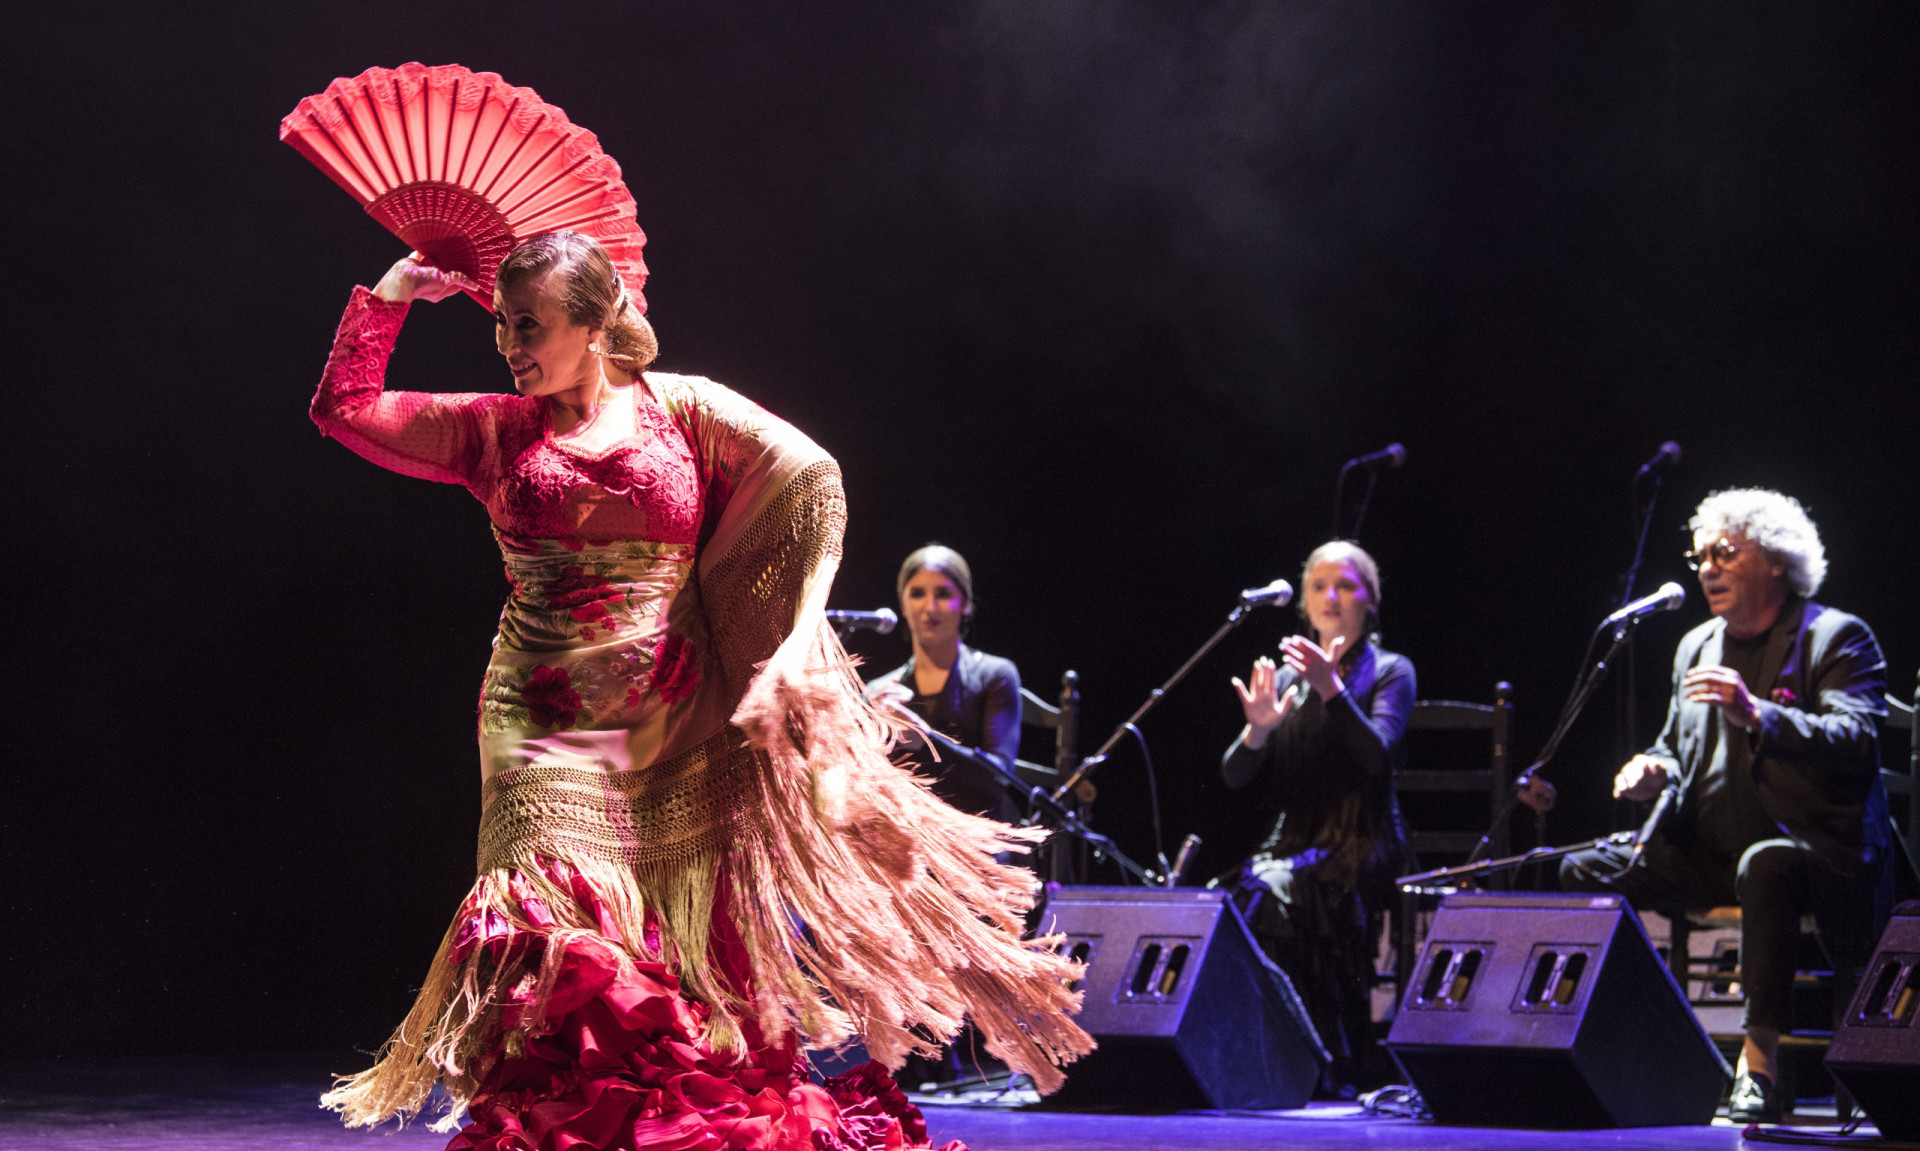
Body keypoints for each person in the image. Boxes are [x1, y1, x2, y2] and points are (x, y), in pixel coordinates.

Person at [306, 233, 1089, 1150]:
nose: (510, 345)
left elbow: (810, 480)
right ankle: (567, 1120)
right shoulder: (495, 430)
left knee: (677, 962)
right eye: (500, 325)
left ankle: (640, 1124)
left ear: (597, 326)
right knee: (553, 928)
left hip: (674, 712)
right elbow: (345, 405)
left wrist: (795, 639)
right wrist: (392, 293)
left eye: (530, 324)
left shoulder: (686, 411)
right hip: (543, 719)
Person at [1561, 489, 1890, 1124]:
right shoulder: (1695, 646)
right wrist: (1655, 768)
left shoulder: (1835, 635)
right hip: (1714, 849)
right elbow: (1676, 744)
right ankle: (1637, 1049)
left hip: (1817, 853)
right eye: (1701, 554)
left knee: (1765, 865)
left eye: (1724, 552)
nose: (1707, 567)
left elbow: (1860, 740)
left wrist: (1756, 711)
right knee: (1582, 870)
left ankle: (1757, 1069)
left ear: (1775, 561)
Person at [1218, 540, 1415, 1096]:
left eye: (1347, 585)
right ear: (1304, 602)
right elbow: (1234, 776)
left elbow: (1375, 757)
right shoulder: (1285, 678)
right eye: (1319, 586)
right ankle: (1269, 1054)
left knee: (1281, 891)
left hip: (1363, 840)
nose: (1332, 596)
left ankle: (1324, 1062)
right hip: (1296, 841)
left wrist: (1332, 690)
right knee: (1242, 893)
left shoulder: (1391, 671)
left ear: (1370, 601)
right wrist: (1257, 731)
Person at [866, 546, 1024, 824]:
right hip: (909, 836)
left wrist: (923, 739)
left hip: (979, 836)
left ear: (965, 603)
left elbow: (999, 778)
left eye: (943, 593)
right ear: (902, 604)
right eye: (917, 594)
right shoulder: (880, 689)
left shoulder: (996, 674)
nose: (930, 607)